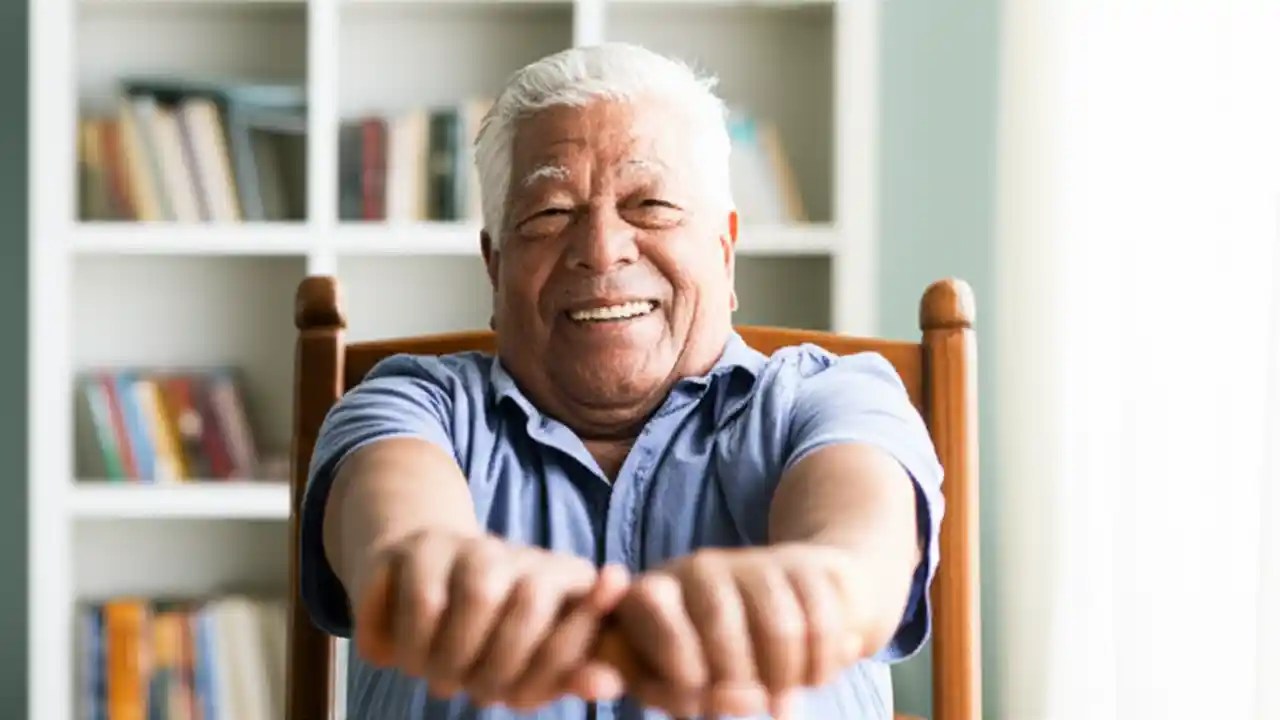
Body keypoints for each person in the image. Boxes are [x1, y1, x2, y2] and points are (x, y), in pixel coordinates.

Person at [299, 42, 944, 720]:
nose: (602, 248)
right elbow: (392, 530)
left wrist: (822, 589)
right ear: (495, 266)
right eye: (549, 213)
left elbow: (863, 548)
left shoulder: (832, 399)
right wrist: (437, 570)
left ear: (725, 252)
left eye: (652, 205)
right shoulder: (408, 405)